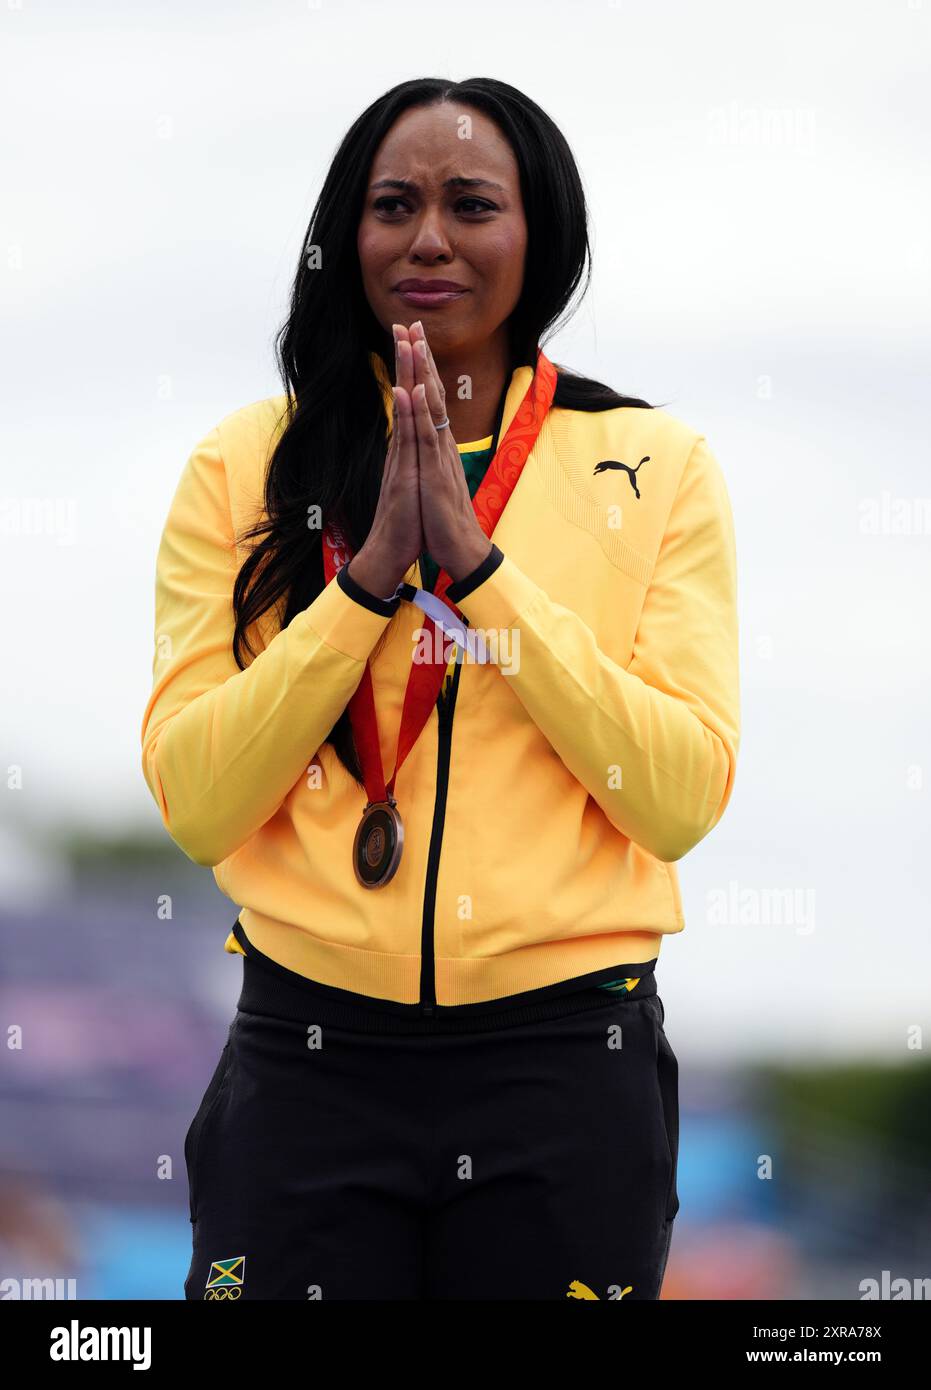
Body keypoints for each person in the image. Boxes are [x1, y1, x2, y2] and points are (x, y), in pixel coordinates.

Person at [140, 76, 740, 1301]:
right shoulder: (243, 463)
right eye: (391, 204)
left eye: (471, 204)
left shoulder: (655, 464)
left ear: (542, 236)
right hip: (309, 1056)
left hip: (564, 1057)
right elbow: (201, 804)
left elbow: (674, 799)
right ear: (342, 235)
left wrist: (484, 573)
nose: (426, 238)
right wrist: (362, 587)